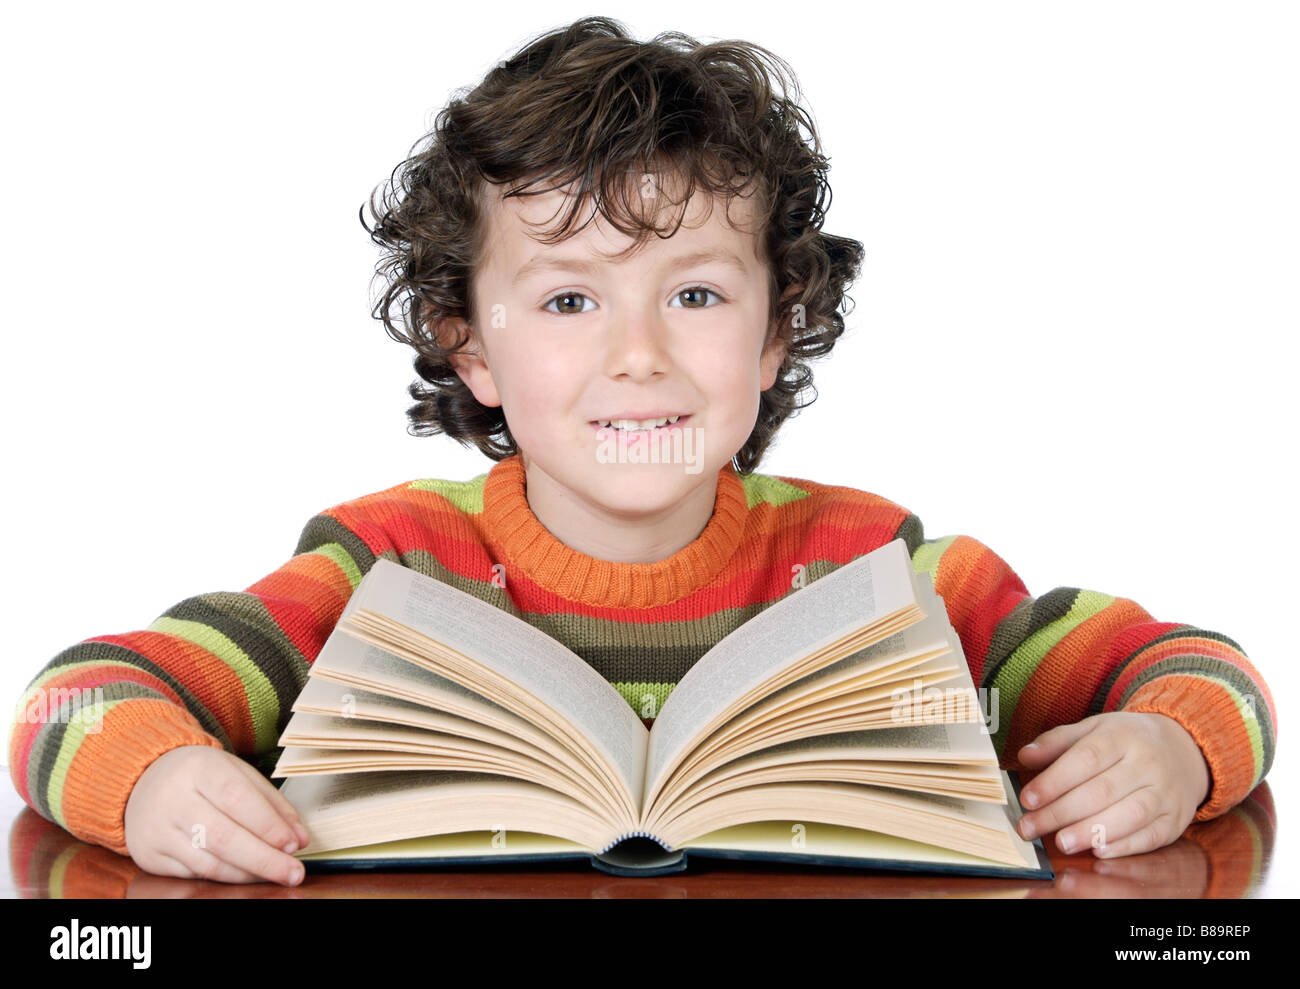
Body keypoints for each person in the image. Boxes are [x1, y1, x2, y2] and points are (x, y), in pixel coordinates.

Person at [7, 16, 1275, 887]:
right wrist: (152, 777)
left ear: (774, 331)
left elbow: (1202, 670)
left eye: (696, 294)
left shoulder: (885, 573)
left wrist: (1174, 748)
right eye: (568, 299)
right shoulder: (384, 565)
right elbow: (69, 698)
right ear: (469, 346)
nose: (638, 355)